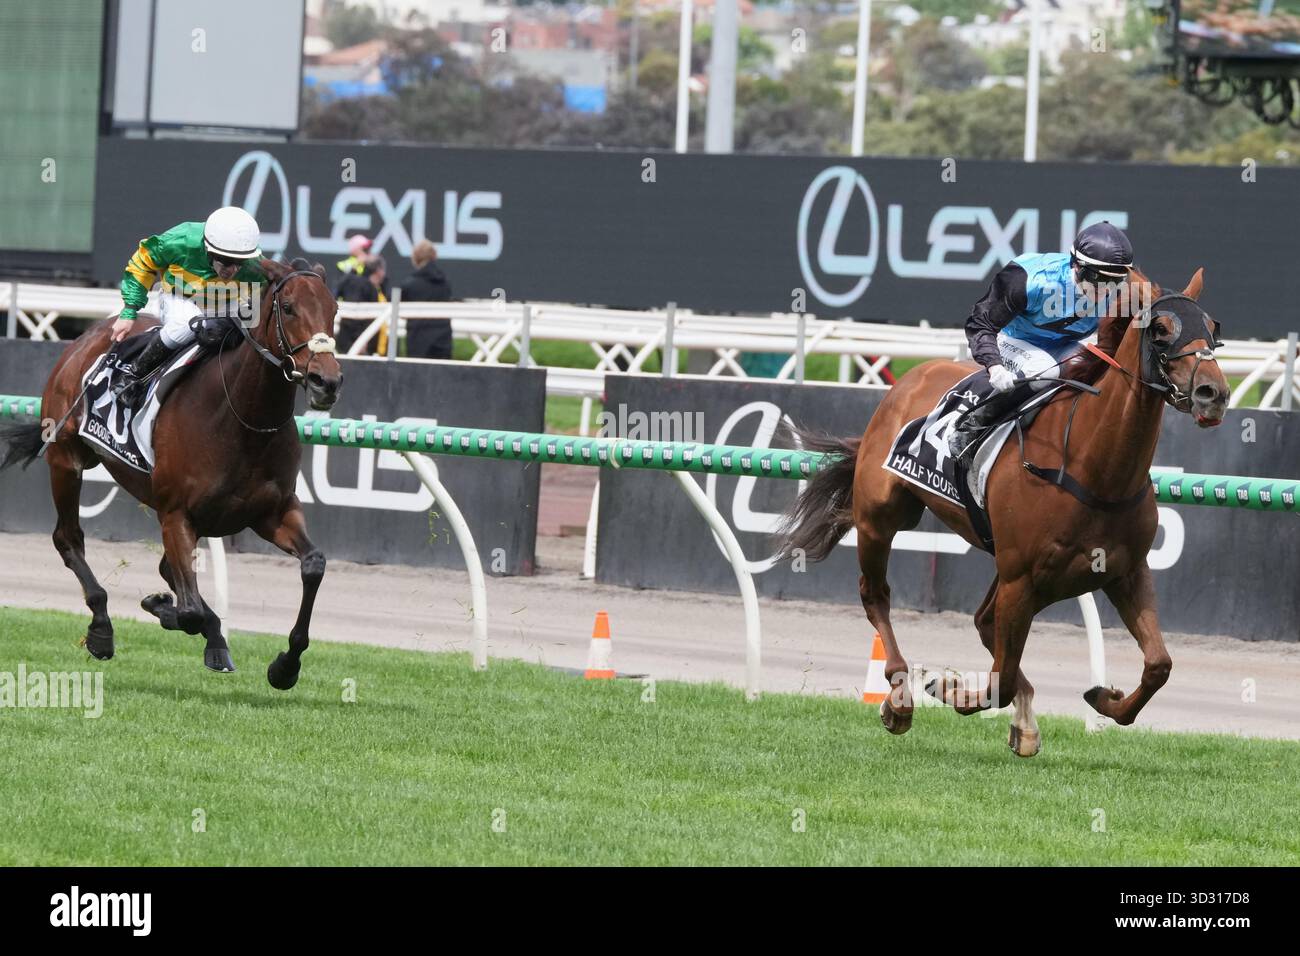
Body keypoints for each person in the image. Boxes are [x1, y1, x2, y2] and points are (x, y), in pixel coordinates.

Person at [947, 221, 1134, 459]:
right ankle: (972, 426)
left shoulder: (1127, 292)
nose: (1104, 291)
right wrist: (994, 366)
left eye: (1114, 282)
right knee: (1042, 369)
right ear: (1075, 265)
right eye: (1096, 279)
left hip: (1063, 346)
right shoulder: (1028, 277)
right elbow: (980, 324)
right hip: (1012, 340)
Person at [110, 206, 266, 390]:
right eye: (224, 260)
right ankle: (134, 376)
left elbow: (262, 295)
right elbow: (144, 261)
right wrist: (129, 310)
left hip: (227, 301)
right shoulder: (182, 240)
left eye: (239, 263)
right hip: (180, 297)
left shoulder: (253, 263)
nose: (231, 270)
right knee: (186, 325)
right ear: (208, 249)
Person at [401, 239, 455, 360]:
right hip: (443, 340)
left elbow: (400, 311)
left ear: (415, 257)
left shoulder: (409, 284)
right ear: (434, 256)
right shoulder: (445, 283)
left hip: (417, 341)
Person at [335, 255, 387, 355]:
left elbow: (335, 293)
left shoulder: (350, 280)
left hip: (344, 338)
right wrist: (363, 341)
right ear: (378, 271)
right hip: (360, 342)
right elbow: (367, 319)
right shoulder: (370, 288)